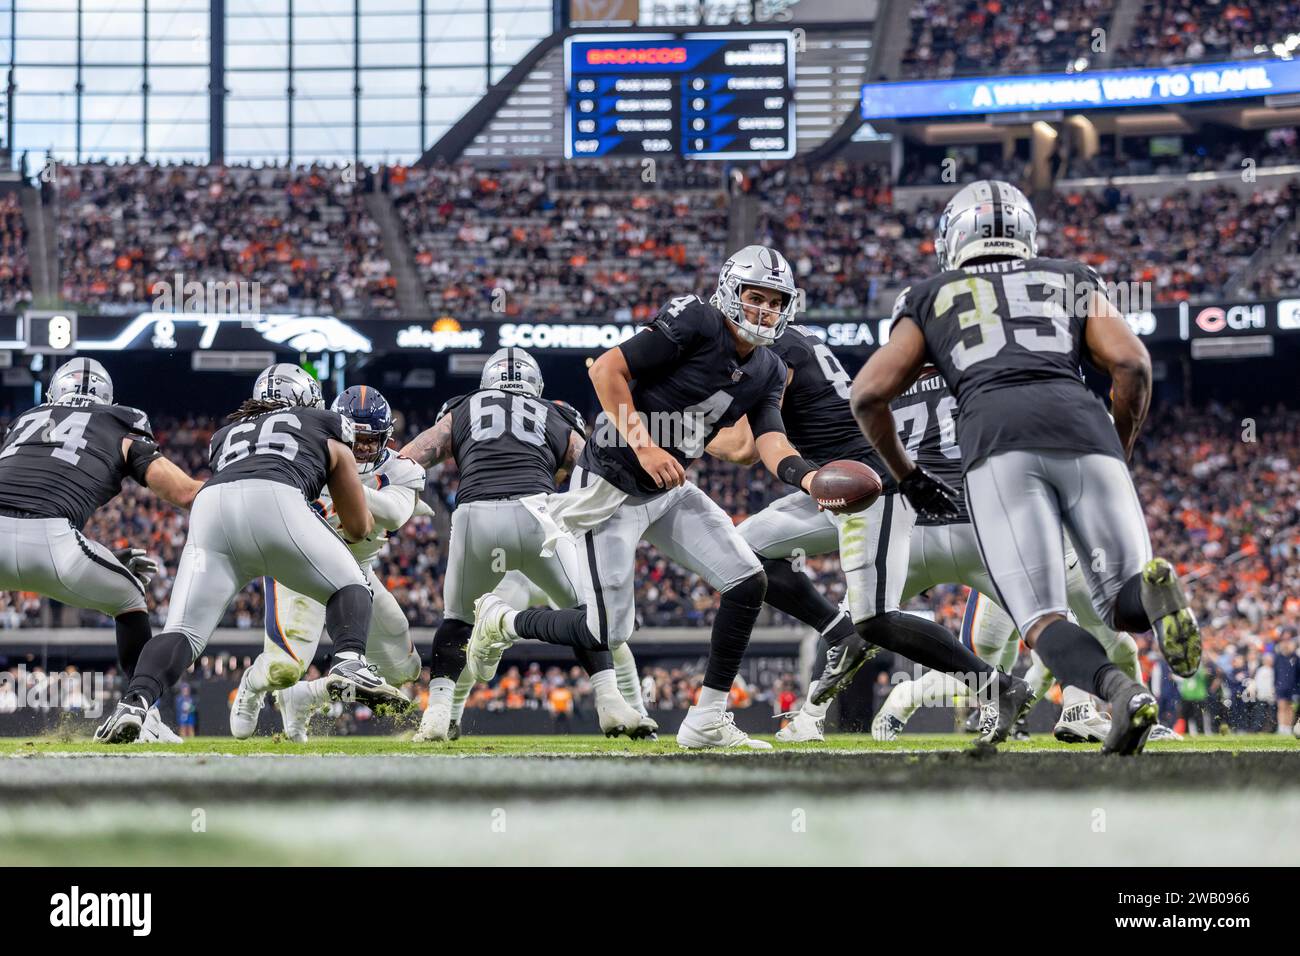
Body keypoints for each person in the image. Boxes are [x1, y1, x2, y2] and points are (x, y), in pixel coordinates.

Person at [849, 179, 1202, 756]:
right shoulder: (1069, 276)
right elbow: (1132, 363)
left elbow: (867, 395)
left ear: (953, 237)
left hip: (998, 442)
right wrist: (1118, 449)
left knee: (1040, 620)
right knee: (1120, 602)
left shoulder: (930, 293)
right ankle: (1159, 600)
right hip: (1087, 430)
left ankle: (1122, 695)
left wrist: (908, 476)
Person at [465, 245, 819, 749]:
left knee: (746, 581)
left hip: (668, 489)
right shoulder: (696, 319)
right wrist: (648, 444)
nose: (764, 309)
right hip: (610, 485)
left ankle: (707, 720)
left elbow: (762, 442)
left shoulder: (769, 369)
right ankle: (501, 620)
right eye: (754, 295)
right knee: (608, 632)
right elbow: (606, 371)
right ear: (730, 290)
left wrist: (809, 479)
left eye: (775, 301)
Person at [95, 363, 408, 743]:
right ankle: (349, 662)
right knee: (351, 584)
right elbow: (357, 526)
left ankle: (134, 703)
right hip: (276, 500)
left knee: (182, 633)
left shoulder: (225, 434)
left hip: (212, 507)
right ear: (308, 399)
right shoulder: (325, 423)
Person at [401, 348, 650, 741]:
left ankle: (437, 715)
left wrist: (389, 493)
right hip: (538, 514)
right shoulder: (554, 413)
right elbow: (590, 468)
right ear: (535, 385)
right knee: (587, 613)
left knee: (457, 619)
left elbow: (413, 456)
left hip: (475, 517)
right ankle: (609, 702)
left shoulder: (463, 409)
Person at [0, 357, 201, 743]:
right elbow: (181, 491)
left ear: (53, 393)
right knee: (129, 596)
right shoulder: (119, 421)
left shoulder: (26, 420)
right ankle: (144, 713)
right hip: (50, 540)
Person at [230, 385, 429, 742]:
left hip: (357, 575)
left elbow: (397, 513)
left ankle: (304, 698)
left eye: (373, 439)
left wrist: (340, 478)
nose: (365, 447)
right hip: (300, 570)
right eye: (359, 437)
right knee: (284, 669)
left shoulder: (397, 469)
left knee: (404, 669)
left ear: (386, 438)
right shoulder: (305, 455)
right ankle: (254, 684)